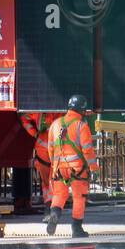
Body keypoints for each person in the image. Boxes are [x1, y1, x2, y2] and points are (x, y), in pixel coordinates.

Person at [43, 95, 98, 238]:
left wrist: (55, 166)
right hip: (78, 169)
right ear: (81, 109)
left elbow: (50, 149)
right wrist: (93, 168)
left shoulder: (55, 124)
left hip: (59, 168)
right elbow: (87, 150)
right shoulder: (81, 126)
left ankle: (54, 214)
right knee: (79, 197)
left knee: (59, 195)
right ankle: (76, 228)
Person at [19, 112, 53, 205]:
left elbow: (24, 119)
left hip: (43, 148)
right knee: (53, 180)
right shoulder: (59, 112)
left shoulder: (37, 112)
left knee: (47, 181)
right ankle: (52, 206)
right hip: (53, 149)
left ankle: (49, 205)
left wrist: (34, 133)